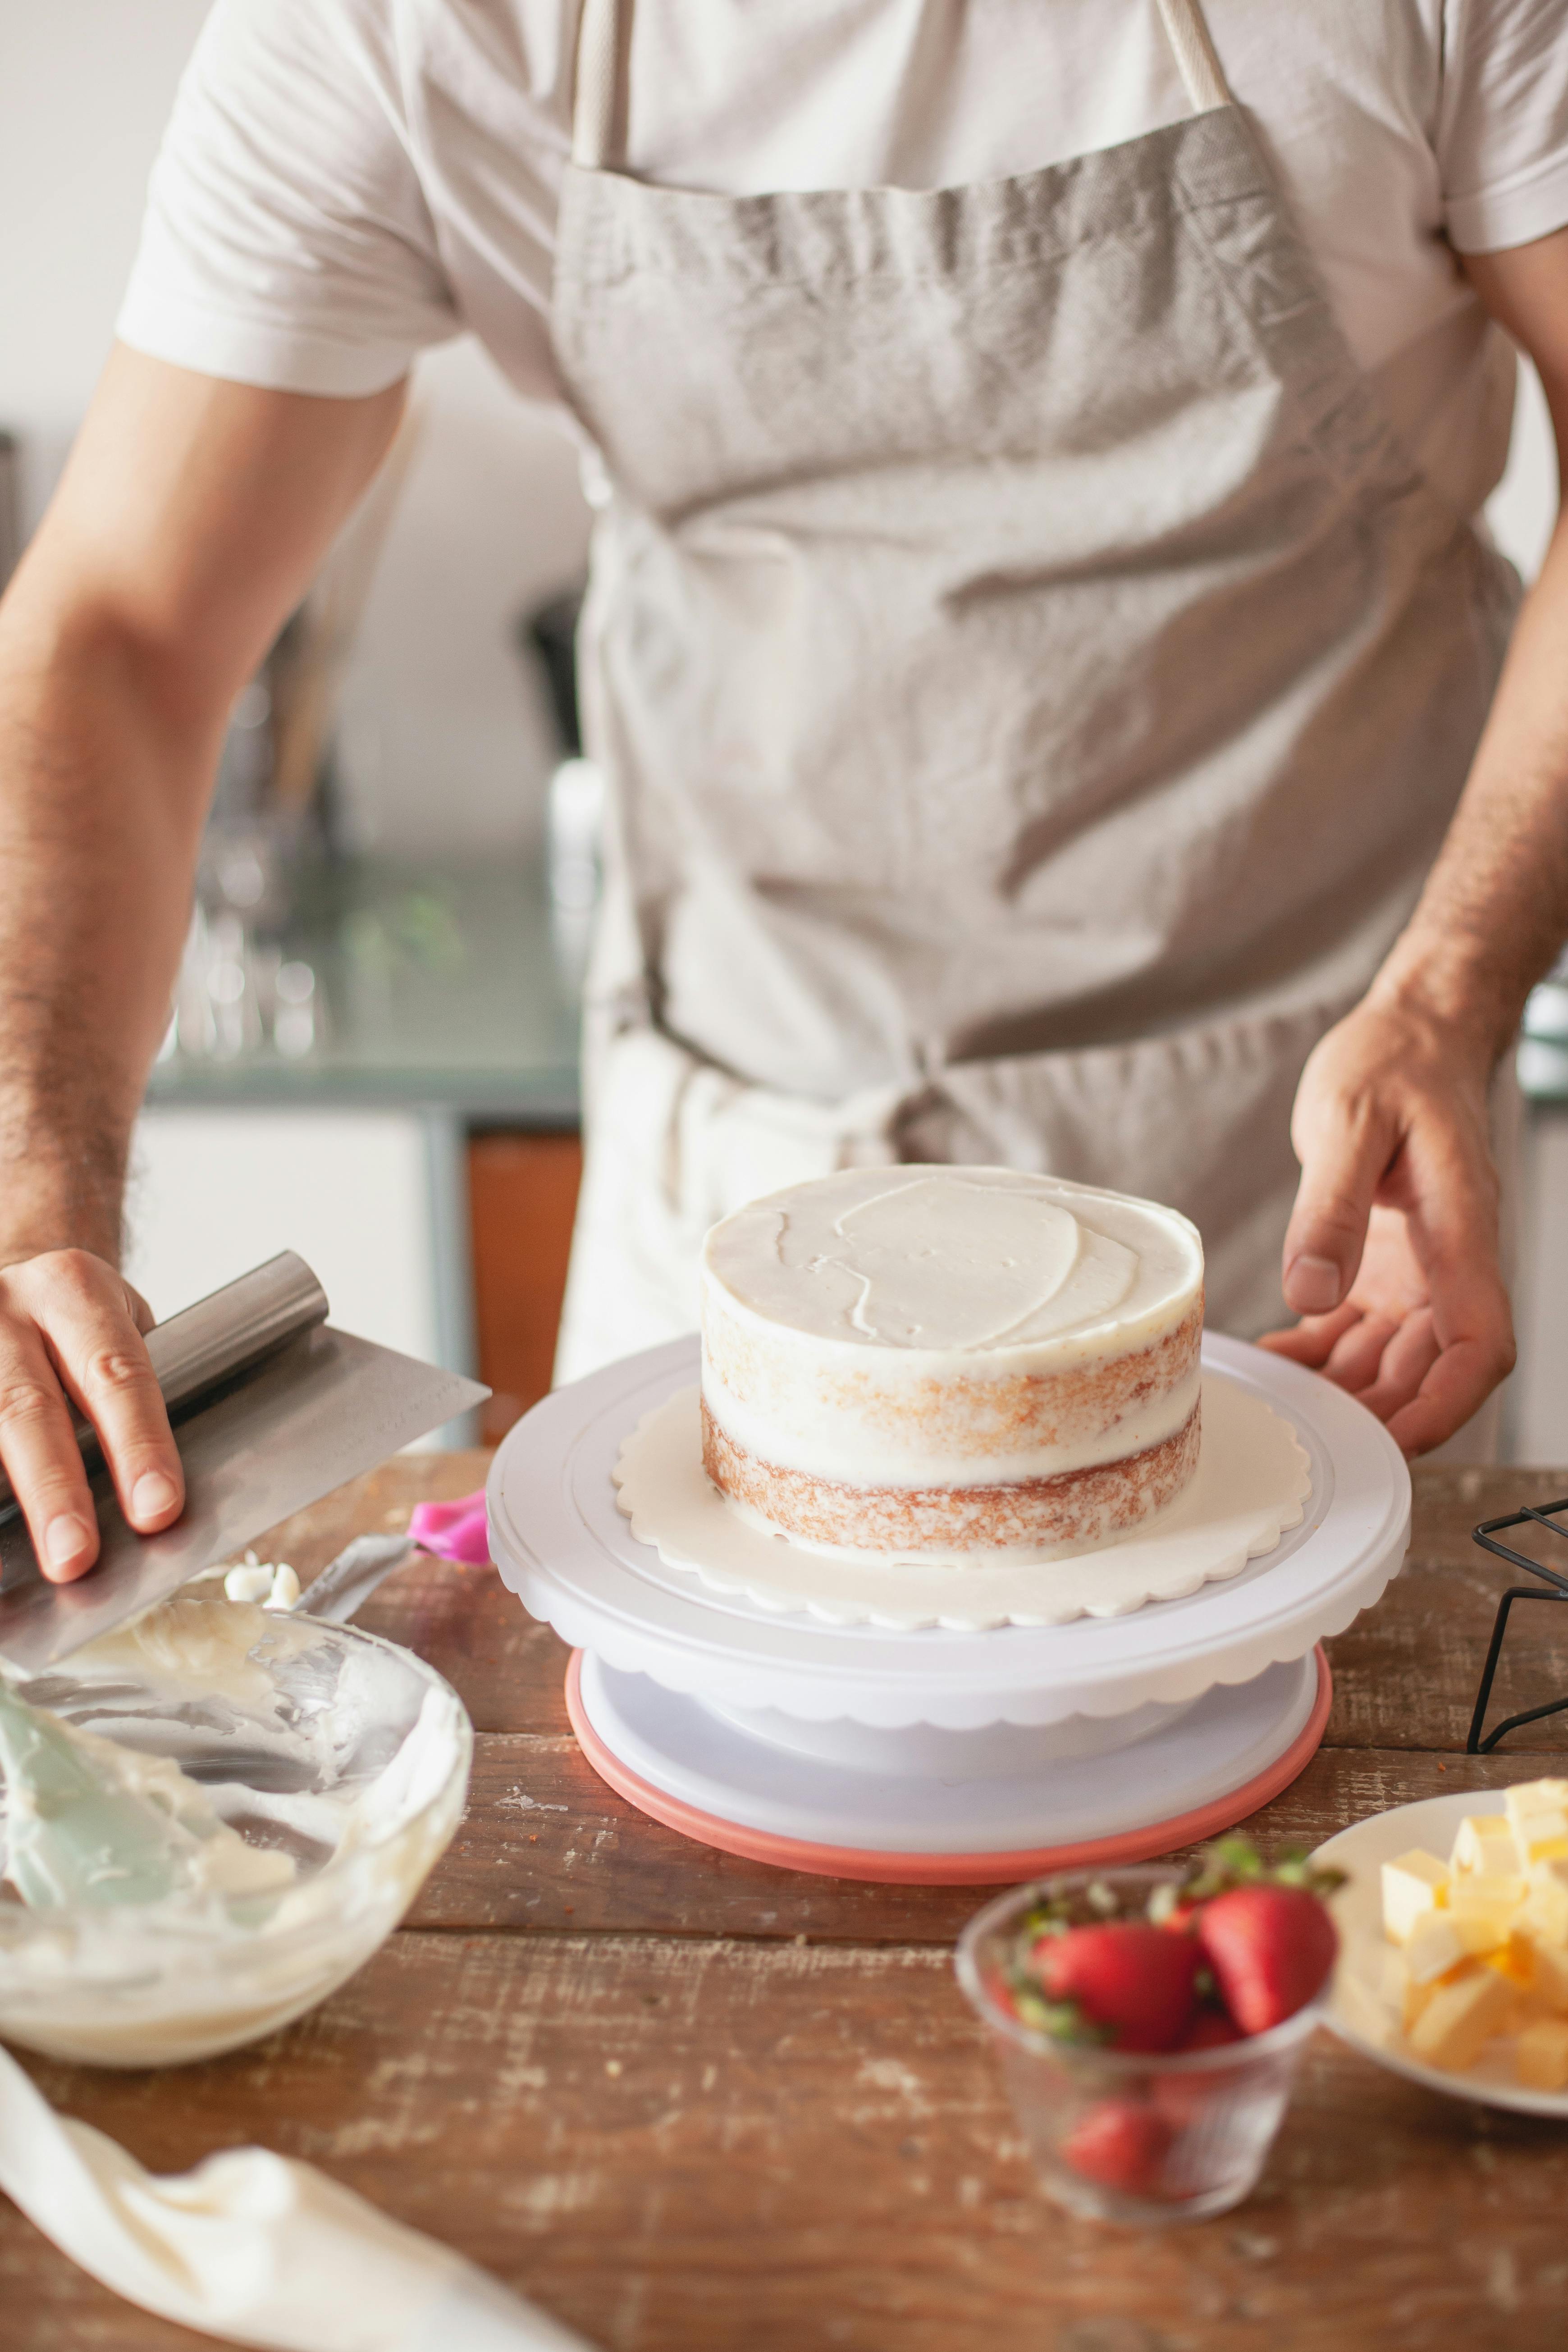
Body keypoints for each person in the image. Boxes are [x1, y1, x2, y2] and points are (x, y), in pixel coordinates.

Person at [1, 0, 1566, 1585]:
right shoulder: (407, 27)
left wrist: (1449, 997)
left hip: (1298, 1218)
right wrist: (30, 1206)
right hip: (729, 1210)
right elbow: (117, 635)